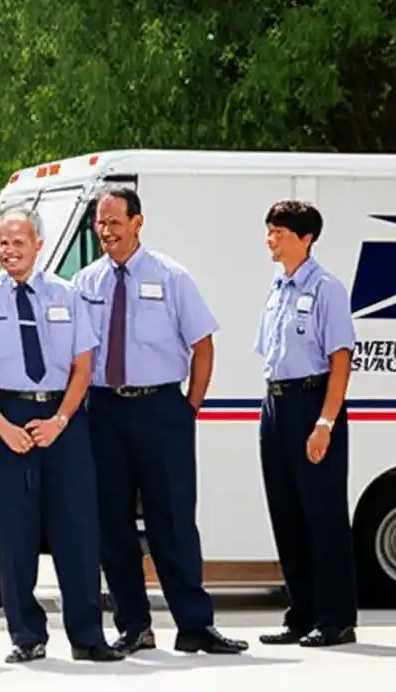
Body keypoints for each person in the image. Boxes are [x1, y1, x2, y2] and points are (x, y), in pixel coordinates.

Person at [72, 186, 248, 655]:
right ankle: (133, 625)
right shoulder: (85, 283)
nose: (106, 231)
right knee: (112, 523)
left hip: (161, 409)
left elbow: (203, 345)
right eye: (100, 223)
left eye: (114, 222)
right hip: (104, 410)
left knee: (172, 519)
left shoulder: (171, 277)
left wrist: (188, 407)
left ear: (137, 222)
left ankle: (194, 624)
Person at [0, 209, 123, 664]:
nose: (9, 251)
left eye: (18, 242)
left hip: (62, 420)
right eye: (3, 243)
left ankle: (88, 636)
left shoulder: (68, 295)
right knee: (14, 533)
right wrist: (4, 429)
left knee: (78, 532)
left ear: (38, 244)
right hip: (3, 418)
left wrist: (61, 420)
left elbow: (84, 366)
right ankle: (26, 635)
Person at [254, 200, 358, 647]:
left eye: (279, 232)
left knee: (324, 515)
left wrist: (325, 422)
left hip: (312, 403)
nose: (270, 239)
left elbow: (340, 359)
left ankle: (336, 619)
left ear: (305, 238)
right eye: (269, 230)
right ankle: (301, 613)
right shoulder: (278, 286)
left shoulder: (327, 288)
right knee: (287, 513)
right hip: (275, 403)